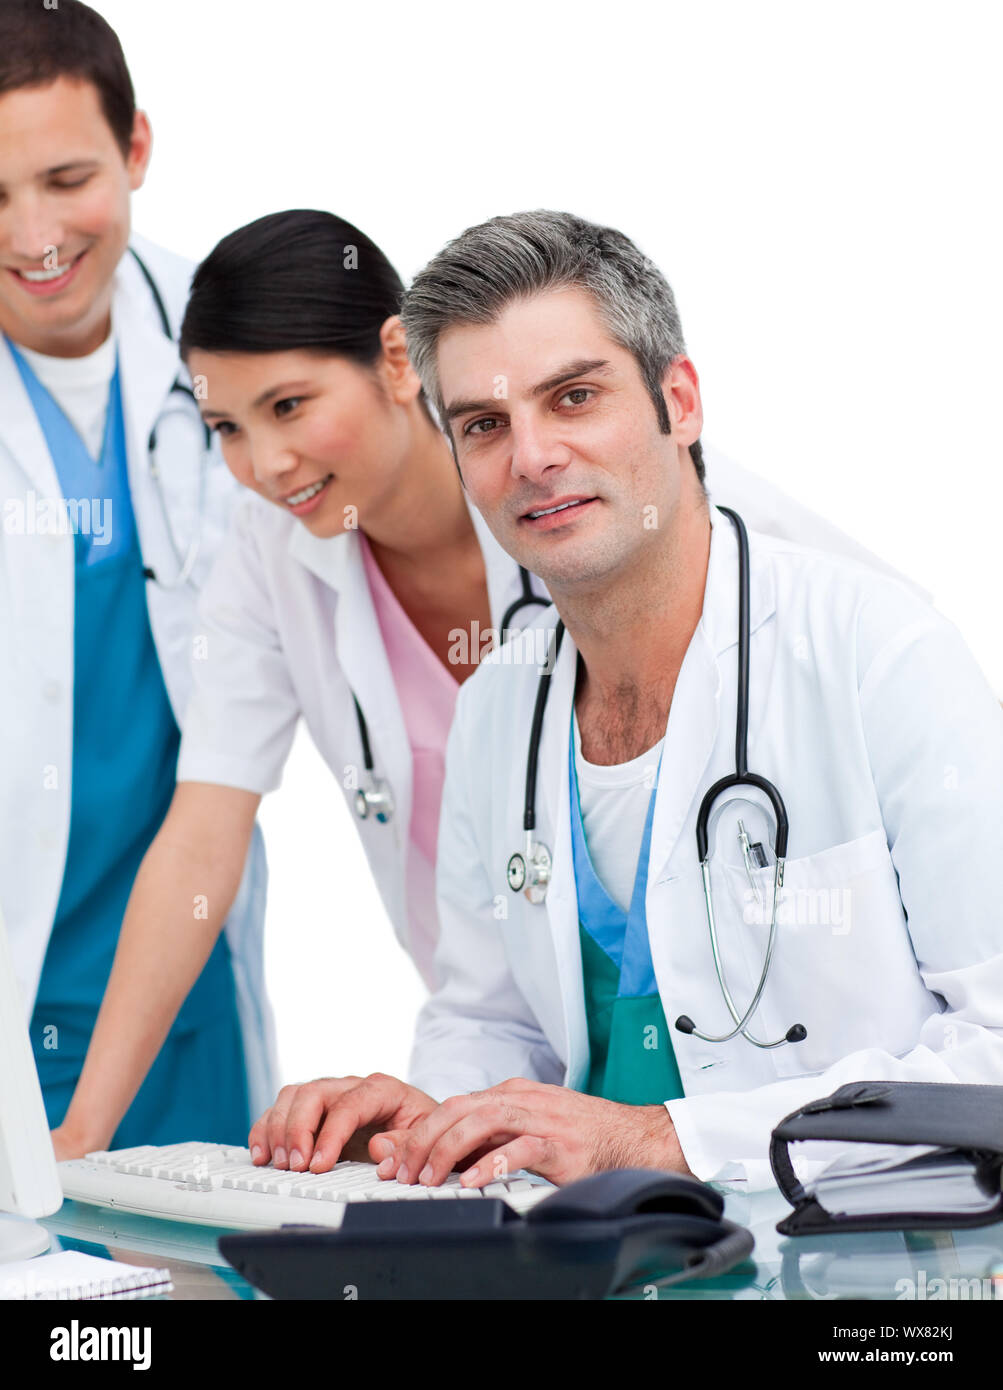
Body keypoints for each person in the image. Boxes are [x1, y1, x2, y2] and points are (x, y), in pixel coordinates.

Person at [48, 205, 894, 1163]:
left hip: (780, 1092)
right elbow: (204, 832)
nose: (264, 464)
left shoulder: (649, 507)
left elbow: (903, 736)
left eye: (289, 407)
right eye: (225, 429)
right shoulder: (278, 554)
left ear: (398, 360)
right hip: (529, 1047)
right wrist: (81, 1133)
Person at [250, 210, 1003, 1191]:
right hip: (596, 1259)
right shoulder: (501, 707)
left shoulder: (878, 654)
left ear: (678, 400)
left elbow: (993, 1056)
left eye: (573, 397)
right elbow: (489, 1020)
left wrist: (659, 1140)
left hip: (856, 1269)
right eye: (483, 424)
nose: (531, 456)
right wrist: (439, 1120)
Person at [0, 0, 272, 1150]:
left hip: (176, 986)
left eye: (67, 177)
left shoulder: (241, 345)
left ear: (138, 149)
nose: (34, 234)